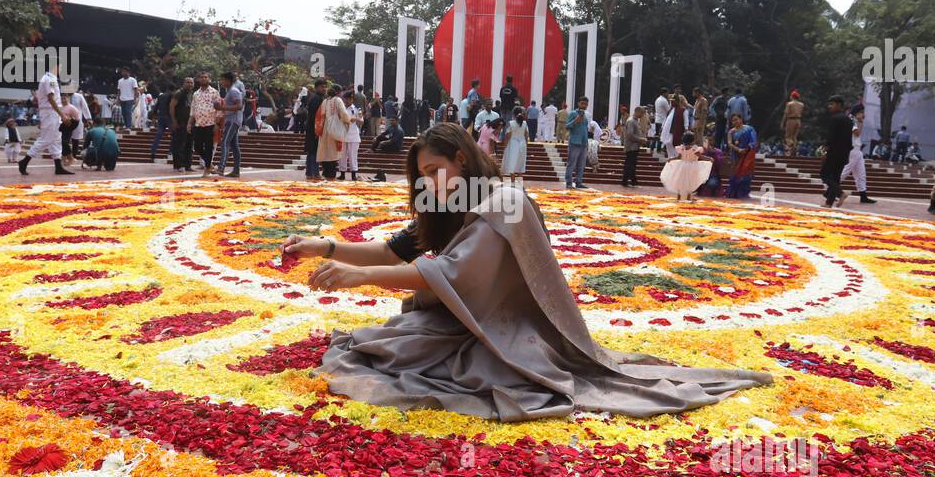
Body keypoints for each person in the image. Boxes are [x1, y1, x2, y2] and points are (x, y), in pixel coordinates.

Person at [282, 123, 772, 422]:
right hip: (463, 320)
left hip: (511, 332)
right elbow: (393, 252)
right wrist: (322, 246)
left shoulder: (505, 203)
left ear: (460, 159)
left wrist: (359, 278)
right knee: (381, 347)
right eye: (421, 176)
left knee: (409, 359)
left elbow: (452, 272)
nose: (427, 182)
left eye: (433, 170)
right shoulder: (447, 201)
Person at [17, 63, 73, 176]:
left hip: (52, 113)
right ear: (56, 66)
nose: (61, 69)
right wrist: (62, 114)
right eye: (61, 67)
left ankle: (58, 167)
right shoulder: (48, 79)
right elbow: (51, 98)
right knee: (46, 139)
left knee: (56, 139)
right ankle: (24, 161)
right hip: (49, 112)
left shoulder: (51, 79)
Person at [838, 112, 877, 205]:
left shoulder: (854, 121)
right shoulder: (852, 122)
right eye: (862, 112)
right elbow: (857, 133)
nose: (863, 114)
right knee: (845, 172)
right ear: (857, 113)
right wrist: (860, 122)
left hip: (857, 150)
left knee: (861, 174)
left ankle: (863, 196)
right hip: (853, 150)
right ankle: (831, 190)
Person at [820, 95, 853, 207]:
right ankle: (829, 202)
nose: (829, 107)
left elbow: (831, 137)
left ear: (839, 105)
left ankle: (841, 193)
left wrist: (825, 150)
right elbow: (849, 139)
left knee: (824, 174)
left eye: (832, 104)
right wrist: (847, 154)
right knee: (836, 177)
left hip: (834, 151)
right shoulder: (849, 120)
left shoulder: (834, 119)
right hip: (844, 153)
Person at [661, 132, 712, 201]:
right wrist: (709, 159)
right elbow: (701, 156)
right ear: (693, 140)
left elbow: (679, 157)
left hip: (682, 166)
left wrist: (671, 159)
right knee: (690, 182)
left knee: (680, 181)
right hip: (692, 166)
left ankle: (678, 197)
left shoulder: (682, 148)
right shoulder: (695, 149)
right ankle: (688, 198)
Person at [188, 72, 221, 176]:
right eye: (201, 77)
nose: (204, 79)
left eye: (206, 77)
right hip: (198, 123)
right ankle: (209, 164)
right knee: (197, 146)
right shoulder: (196, 94)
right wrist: (189, 123)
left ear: (209, 79)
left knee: (208, 146)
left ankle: (207, 168)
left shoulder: (214, 92)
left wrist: (217, 124)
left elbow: (219, 110)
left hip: (210, 123)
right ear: (198, 80)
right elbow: (193, 110)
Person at [317, 84, 348, 180]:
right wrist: (347, 121)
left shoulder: (325, 101)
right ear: (338, 92)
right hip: (335, 128)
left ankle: (326, 172)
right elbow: (344, 113)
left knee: (325, 151)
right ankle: (331, 174)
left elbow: (321, 115)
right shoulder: (338, 100)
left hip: (325, 127)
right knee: (333, 152)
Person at [217, 71, 244, 178]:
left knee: (224, 142)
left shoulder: (233, 91)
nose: (221, 82)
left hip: (233, 120)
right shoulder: (230, 91)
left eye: (222, 80)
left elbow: (239, 106)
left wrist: (222, 108)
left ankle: (221, 168)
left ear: (228, 80)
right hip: (232, 120)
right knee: (234, 146)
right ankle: (236, 171)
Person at [725, 113, 758, 199]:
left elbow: (753, 142)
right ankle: (733, 193)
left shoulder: (749, 129)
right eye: (733, 121)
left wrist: (746, 149)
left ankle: (743, 193)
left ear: (741, 119)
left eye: (736, 119)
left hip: (747, 156)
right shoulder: (731, 131)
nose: (735, 122)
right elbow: (729, 143)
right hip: (735, 155)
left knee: (745, 175)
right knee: (735, 174)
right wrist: (738, 150)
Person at [564, 97, 591, 189]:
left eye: (586, 104)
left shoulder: (586, 116)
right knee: (571, 163)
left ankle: (579, 182)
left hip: (583, 143)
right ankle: (569, 183)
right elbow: (567, 126)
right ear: (578, 103)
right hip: (574, 142)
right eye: (582, 103)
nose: (584, 106)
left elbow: (586, 129)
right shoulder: (572, 113)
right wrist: (575, 121)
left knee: (581, 164)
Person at [171, 78, 194, 171]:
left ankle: (188, 165)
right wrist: (174, 121)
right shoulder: (178, 93)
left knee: (189, 144)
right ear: (184, 83)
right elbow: (171, 106)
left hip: (190, 122)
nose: (190, 84)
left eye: (191, 83)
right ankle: (178, 165)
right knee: (180, 144)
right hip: (181, 122)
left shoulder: (192, 94)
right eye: (188, 82)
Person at [621, 106, 647, 187]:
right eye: (642, 113)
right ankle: (626, 181)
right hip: (631, 147)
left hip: (634, 147)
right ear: (637, 112)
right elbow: (630, 135)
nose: (643, 115)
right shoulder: (631, 121)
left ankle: (632, 181)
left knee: (631, 164)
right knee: (629, 164)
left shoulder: (635, 121)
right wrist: (640, 140)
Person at [150, 79, 174, 162]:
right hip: (169, 118)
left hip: (161, 117)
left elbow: (155, 108)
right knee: (174, 135)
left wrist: (154, 116)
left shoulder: (161, 96)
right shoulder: (173, 96)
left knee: (158, 135)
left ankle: (153, 152)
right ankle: (170, 152)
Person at [341, 92, 363, 180]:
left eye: (349, 99)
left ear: (352, 99)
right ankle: (342, 173)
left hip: (353, 135)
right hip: (343, 135)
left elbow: (362, 121)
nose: (347, 101)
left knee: (353, 156)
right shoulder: (342, 108)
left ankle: (353, 174)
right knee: (342, 156)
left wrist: (356, 119)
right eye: (346, 99)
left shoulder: (357, 109)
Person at [502, 108, 528, 179]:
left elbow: (507, 136)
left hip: (513, 144)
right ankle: (520, 183)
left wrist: (505, 146)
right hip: (522, 144)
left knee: (512, 162)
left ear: (513, 114)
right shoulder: (524, 123)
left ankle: (513, 183)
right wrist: (526, 144)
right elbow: (526, 135)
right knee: (520, 164)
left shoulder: (511, 123)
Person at [780, 91, 804, 155]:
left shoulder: (789, 104)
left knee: (787, 137)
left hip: (791, 120)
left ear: (792, 96)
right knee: (794, 137)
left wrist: (782, 123)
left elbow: (786, 114)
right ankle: (793, 151)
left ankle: (792, 145)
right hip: (798, 120)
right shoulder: (801, 104)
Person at [117, 68, 138, 134]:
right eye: (122, 72)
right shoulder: (120, 81)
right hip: (122, 99)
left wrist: (135, 99)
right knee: (123, 113)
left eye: (125, 72)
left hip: (130, 99)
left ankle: (128, 127)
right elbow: (119, 90)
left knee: (128, 112)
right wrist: (118, 98)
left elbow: (135, 90)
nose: (123, 73)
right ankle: (126, 126)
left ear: (128, 72)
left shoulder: (132, 80)